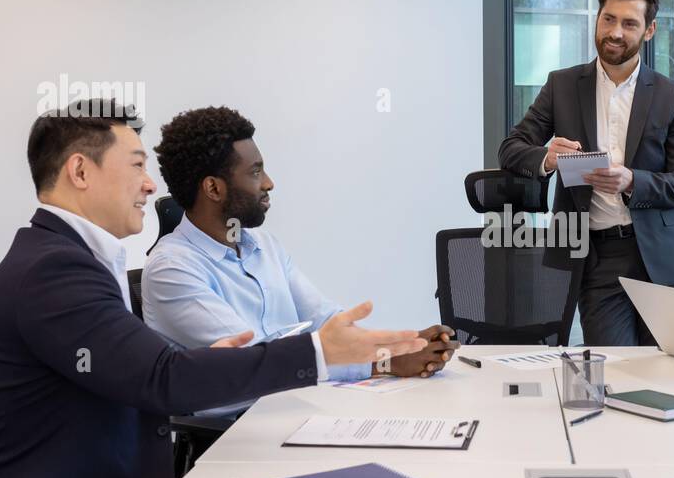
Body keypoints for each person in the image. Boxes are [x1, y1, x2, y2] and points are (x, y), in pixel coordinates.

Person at [0, 101, 426, 478]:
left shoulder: (74, 259)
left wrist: (202, 364)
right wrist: (317, 352)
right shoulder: (54, 271)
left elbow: (152, 369)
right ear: (79, 171)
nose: (149, 186)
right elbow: (165, 379)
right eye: (136, 165)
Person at [142, 106, 456, 408]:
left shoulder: (265, 246)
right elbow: (253, 361)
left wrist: (401, 345)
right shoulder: (172, 269)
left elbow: (326, 321)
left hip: (303, 403)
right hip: (234, 431)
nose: (269, 183)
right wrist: (383, 363)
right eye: (255, 172)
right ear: (213, 188)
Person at [498, 0, 674, 345]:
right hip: (595, 254)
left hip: (657, 255)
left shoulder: (673, 95)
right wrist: (548, 158)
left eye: (629, 23)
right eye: (608, 19)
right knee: (613, 370)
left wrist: (633, 182)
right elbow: (511, 147)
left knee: (669, 371)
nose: (616, 32)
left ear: (649, 30)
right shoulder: (562, 86)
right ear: (597, 19)